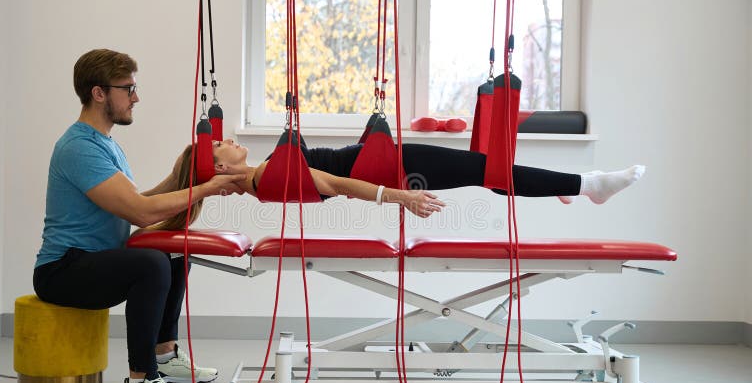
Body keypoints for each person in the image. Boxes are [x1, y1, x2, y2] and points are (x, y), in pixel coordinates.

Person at [33, 49, 245, 383]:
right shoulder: (79, 147)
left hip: (93, 263)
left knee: (174, 250)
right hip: (61, 271)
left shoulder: (106, 144)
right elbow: (140, 213)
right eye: (128, 89)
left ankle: (164, 354)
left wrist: (187, 177)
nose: (136, 97)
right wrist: (207, 190)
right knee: (149, 262)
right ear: (99, 93)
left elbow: (136, 201)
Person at [199, 138, 644, 214]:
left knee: (482, 170)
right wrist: (401, 196)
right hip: (393, 167)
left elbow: (333, 181)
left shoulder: (261, 183)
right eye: (223, 145)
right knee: (484, 169)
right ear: (220, 166)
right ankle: (589, 186)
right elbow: (337, 186)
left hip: (382, 161)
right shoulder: (270, 172)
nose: (232, 140)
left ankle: (565, 188)